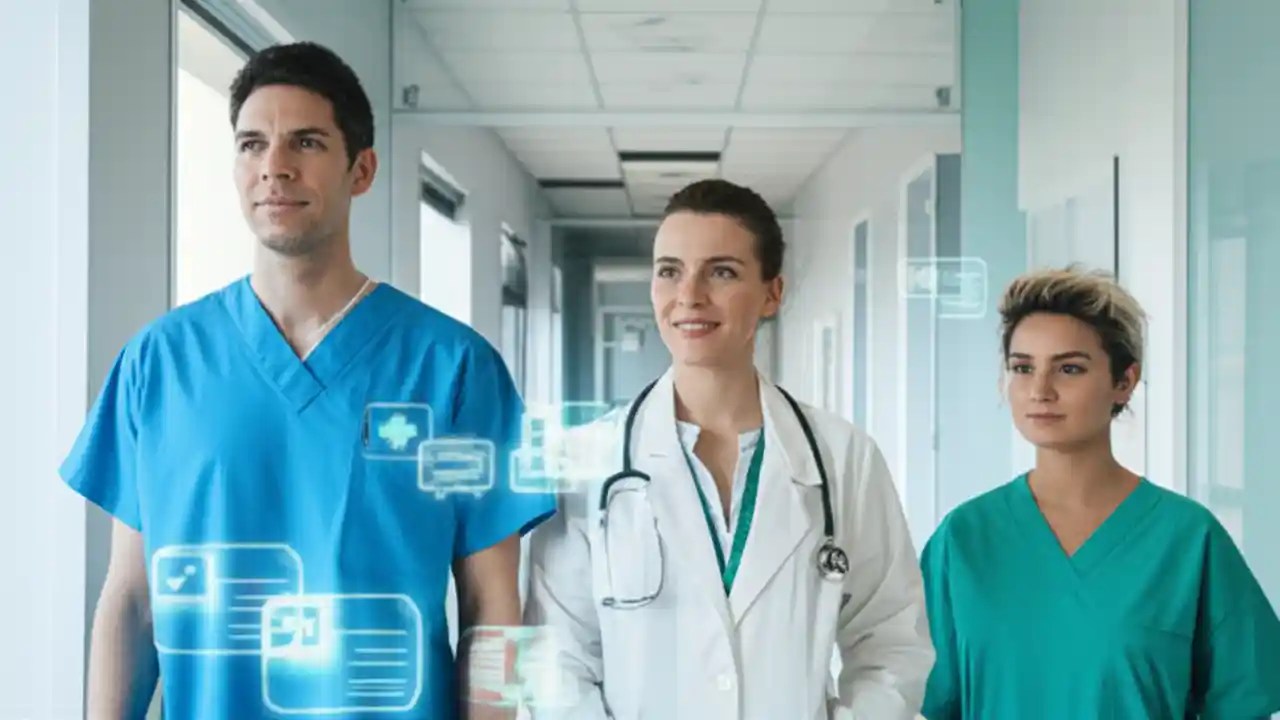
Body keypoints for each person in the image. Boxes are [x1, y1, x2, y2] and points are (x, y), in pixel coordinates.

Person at [59, 42, 554, 719]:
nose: (275, 168)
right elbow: (132, 598)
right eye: (251, 144)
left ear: (362, 169)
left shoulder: (454, 369)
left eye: (307, 142)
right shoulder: (159, 363)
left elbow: (495, 607)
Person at [523, 179, 934, 719]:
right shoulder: (587, 464)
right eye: (670, 270)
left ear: (772, 293)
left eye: (721, 272)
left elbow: (891, 642)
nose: (689, 295)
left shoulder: (843, 458)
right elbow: (555, 659)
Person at [920, 267, 1280, 718]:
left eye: (1069, 368)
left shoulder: (1187, 540)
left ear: (1124, 381)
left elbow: (1243, 702)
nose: (1040, 390)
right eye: (1022, 367)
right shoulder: (965, 539)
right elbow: (927, 697)